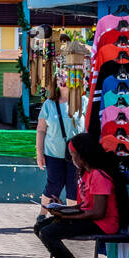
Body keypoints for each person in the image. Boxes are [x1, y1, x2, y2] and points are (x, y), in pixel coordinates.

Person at [34, 133, 129, 258]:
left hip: (103, 224)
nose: (72, 159)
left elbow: (98, 212)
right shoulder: (86, 174)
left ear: (83, 155)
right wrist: (62, 209)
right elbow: (85, 205)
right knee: (40, 227)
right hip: (91, 220)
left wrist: (66, 216)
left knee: (47, 233)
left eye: (73, 155)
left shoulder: (98, 175)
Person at [35, 83, 81, 218]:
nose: (64, 81)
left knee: (73, 187)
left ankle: (72, 217)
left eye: (67, 76)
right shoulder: (49, 104)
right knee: (54, 184)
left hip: (76, 155)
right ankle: (43, 214)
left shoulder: (82, 102)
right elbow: (41, 130)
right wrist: (39, 153)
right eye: (60, 77)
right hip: (53, 153)